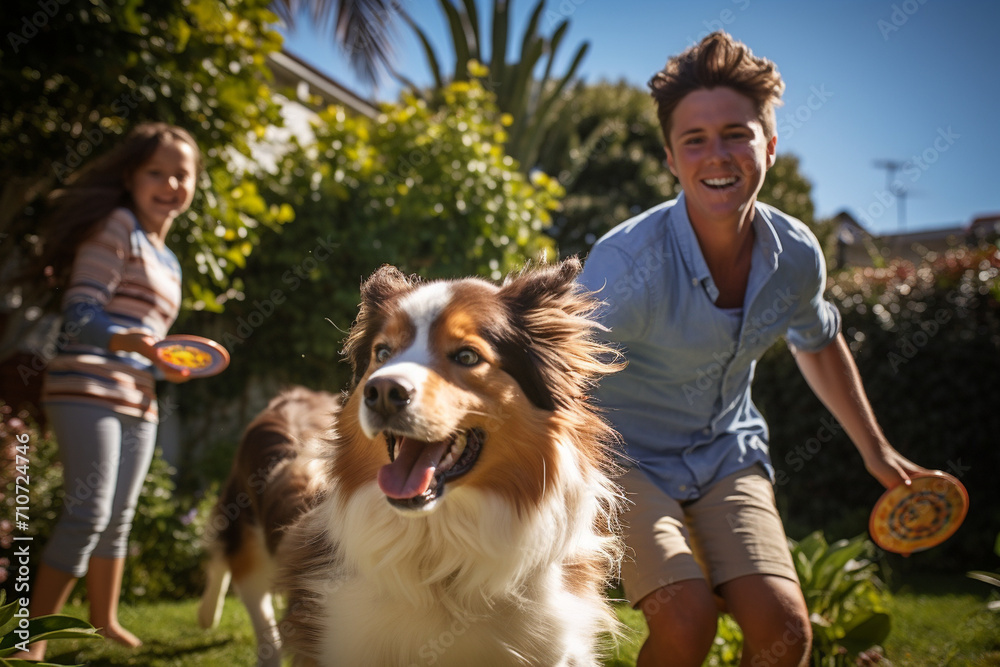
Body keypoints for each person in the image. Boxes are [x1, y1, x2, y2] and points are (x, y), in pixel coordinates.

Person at [578, 32, 927, 667]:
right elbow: (555, 372)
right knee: (686, 621)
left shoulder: (795, 255)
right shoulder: (626, 264)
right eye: (695, 140)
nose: (718, 154)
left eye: (736, 133)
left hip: (726, 452)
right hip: (623, 461)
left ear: (769, 145)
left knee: (785, 632)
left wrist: (877, 453)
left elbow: (817, 342)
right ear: (671, 158)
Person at [17, 122, 199, 660]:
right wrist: (133, 341)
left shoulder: (168, 259)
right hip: (84, 388)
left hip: (137, 395)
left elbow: (149, 345)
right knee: (88, 513)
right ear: (129, 177)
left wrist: (167, 366)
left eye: (181, 175)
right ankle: (30, 638)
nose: (170, 184)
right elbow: (79, 316)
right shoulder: (117, 227)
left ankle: (105, 619)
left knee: (119, 517)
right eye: (156, 172)